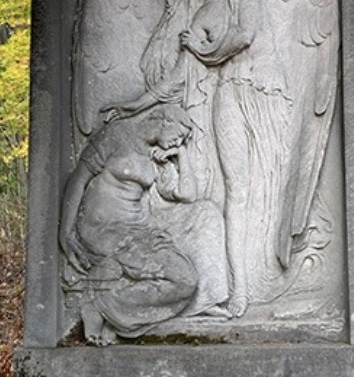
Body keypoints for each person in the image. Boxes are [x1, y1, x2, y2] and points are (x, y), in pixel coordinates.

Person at [102, 0, 290, 317]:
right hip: (229, 98)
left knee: (267, 187)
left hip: (265, 94)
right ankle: (237, 289)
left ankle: (262, 272)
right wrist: (136, 104)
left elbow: (243, 36)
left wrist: (202, 50)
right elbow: (177, 75)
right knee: (235, 192)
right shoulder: (202, 15)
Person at [60, 103, 228, 344]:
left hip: (137, 231)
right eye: (178, 137)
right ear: (164, 120)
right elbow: (78, 180)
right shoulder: (116, 135)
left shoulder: (154, 156)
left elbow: (188, 195)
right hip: (103, 230)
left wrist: (182, 156)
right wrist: (65, 232)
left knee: (187, 268)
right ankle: (99, 308)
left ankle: (116, 315)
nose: (177, 143)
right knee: (182, 279)